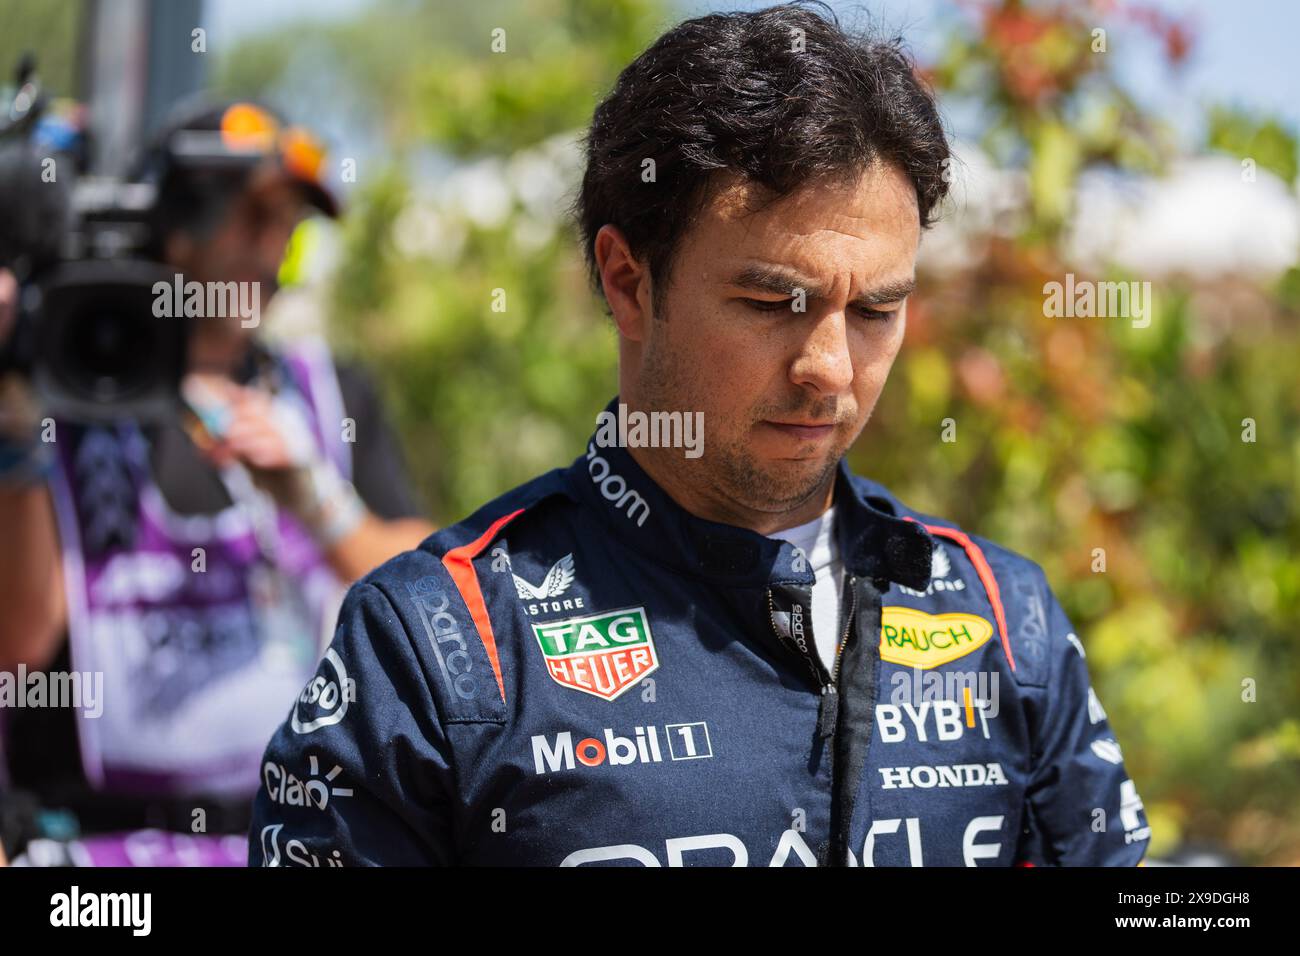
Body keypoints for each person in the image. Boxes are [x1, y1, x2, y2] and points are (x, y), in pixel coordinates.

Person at [249, 3, 1151, 867]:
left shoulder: (1000, 615)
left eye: (877, 310)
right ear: (629, 282)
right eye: (771, 304)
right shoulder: (441, 640)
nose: (830, 367)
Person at [0, 99, 433, 865]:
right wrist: (15, 422)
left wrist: (315, 498)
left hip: (281, 844)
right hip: (91, 859)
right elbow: (18, 647)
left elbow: (433, 608)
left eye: (288, 231)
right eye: (249, 220)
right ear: (173, 222)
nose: (268, 254)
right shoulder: (59, 393)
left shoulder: (327, 394)